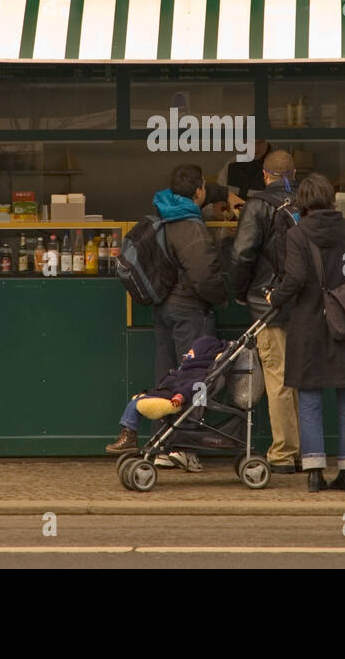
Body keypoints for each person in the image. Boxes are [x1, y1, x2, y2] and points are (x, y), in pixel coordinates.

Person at [268, 173, 345, 493]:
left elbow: (293, 279)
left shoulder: (298, 234)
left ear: (304, 201)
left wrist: (274, 297)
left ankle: (314, 471)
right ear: (332, 199)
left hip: (309, 325)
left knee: (309, 399)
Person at [149, 164, 228, 471]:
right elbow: (204, 276)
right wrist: (221, 296)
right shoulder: (190, 226)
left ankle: (161, 443)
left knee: (167, 375)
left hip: (163, 306)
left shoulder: (162, 213)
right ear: (198, 192)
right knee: (194, 377)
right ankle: (183, 444)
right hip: (188, 310)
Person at [229, 149, 301, 473]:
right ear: (294, 173)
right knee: (300, 380)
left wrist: (241, 294)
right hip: (305, 304)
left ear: (264, 175)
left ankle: (283, 453)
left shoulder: (257, 205)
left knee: (278, 379)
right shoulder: (306, 203)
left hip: (269, 304)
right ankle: (302, 450)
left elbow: (243, 254)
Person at [106, 335, 226, 455]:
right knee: (135, 402)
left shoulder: (199, 372)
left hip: (174, 397)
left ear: (201, 354)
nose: (187, 355)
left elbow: (193, 386)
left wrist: (181, 395)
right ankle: (130, 435)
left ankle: (129, 437)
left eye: (191, 352)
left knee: (135, 404)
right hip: (167, 393)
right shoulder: (187, 369)